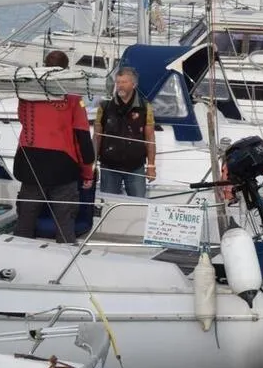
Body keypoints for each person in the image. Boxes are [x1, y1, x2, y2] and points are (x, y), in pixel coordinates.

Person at [13, 51, 95, 243]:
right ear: (66, 69)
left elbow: (23, 120)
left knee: (25, 221)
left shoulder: (26, 94)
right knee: (65, 223)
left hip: (30, 163)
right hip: (62, 166)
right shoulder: (73, 97)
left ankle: (17, 253)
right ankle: (66, 256)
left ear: (44, 65)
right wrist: (87, 173)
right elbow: (82, 137)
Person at [95, 67, 156, 197]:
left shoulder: (145, 107)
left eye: (124, 82)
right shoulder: (104, 106)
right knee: (108, 202)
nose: (120, 86)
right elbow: (97, 137)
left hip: (135, 166)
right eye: (118, 82)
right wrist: (93, 164)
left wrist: (151, 166)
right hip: (109, 165)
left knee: (139, 203)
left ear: (134, 84)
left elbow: (150, 138)